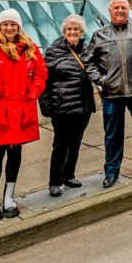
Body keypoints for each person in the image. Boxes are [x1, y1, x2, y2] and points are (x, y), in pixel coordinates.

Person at [0, 9, 47, 221]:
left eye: (13, 24)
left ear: (19, 26)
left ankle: (9, 197)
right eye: (5, 24)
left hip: (21, 109)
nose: (9, 28)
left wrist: (32, 94)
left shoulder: (30, 48)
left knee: (15, 153)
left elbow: (41, 73)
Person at [85, 0, 132, 187]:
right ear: (109, 11)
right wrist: (103, 81)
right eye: (116, 8)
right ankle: (111, 172)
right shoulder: (99, 35)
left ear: (128, 11)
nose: (120, 10)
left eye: (123, 8)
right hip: (112, 94)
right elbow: (88, 63)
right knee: (113, 135)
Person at [40, 14, 96, 198]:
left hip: (83, 104)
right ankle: (55, 181)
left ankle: (69, 175)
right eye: (69, 29)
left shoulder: (87, 50)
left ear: (82, 32)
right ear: (64, 32)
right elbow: (44, 81)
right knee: (61, 143)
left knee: (76, 141)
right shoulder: (54, 51)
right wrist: (47, 106)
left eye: (76, 29)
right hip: (62, 106)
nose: (72, 32)